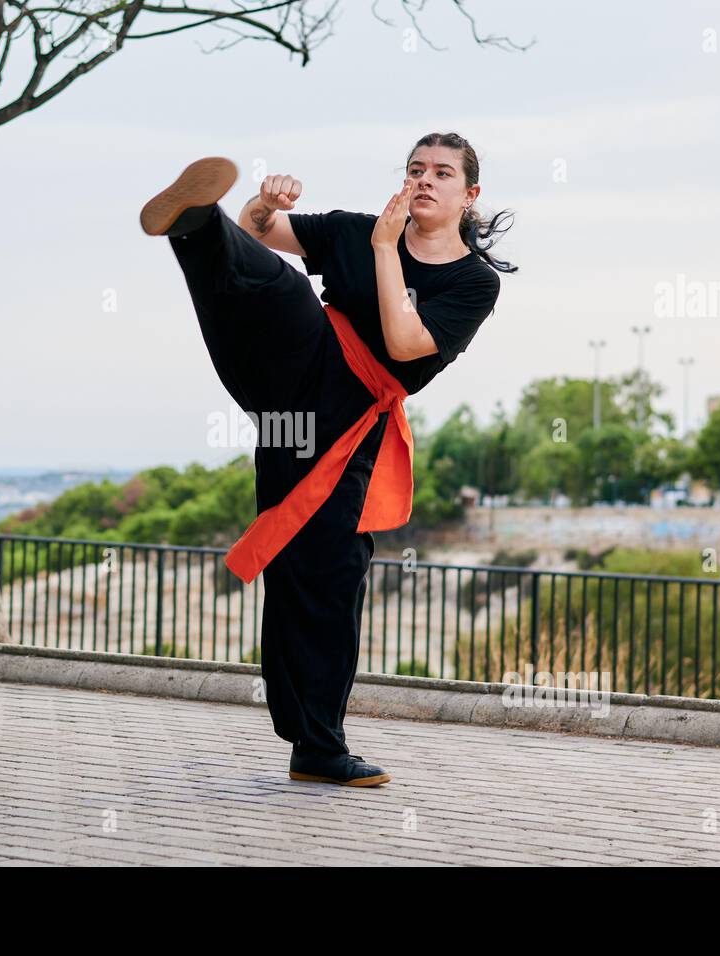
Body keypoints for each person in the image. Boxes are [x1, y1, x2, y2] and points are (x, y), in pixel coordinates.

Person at [140, 132, 514, 787]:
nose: (425, 180)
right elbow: (268, 231)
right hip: (297, 360)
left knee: (325, 574)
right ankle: (196, 223)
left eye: (442, 172)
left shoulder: (471, 282)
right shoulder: (352, 229)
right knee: (276, 284)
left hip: (348, 414)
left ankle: (316, 746)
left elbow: (403, 344)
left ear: (469, 194)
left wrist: (382, 249)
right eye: (415, 169)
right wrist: (262, 204)